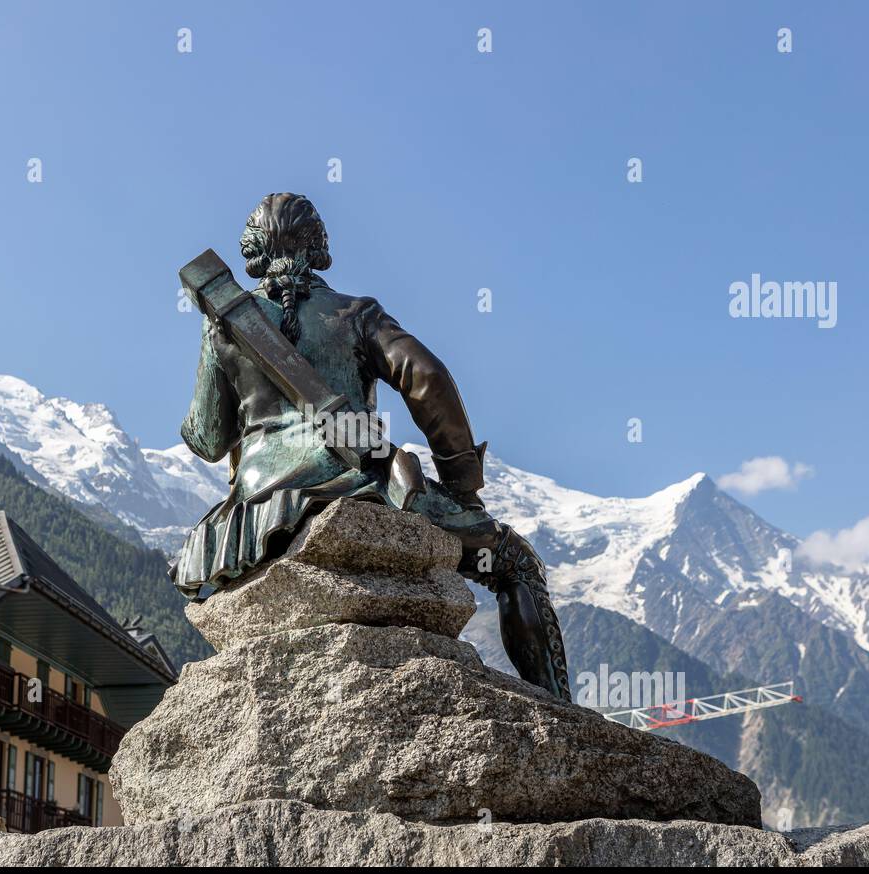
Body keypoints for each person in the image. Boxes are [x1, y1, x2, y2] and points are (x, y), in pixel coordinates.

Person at [173, 193, 571, 701]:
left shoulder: (224, 322)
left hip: (257, 507)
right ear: (318, 247)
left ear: (252, 253)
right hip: (355, 482)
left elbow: (208, 438)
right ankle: (558, 710)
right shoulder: (356, 314)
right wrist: (462, 484)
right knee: (515, 565)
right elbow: (427, 377)